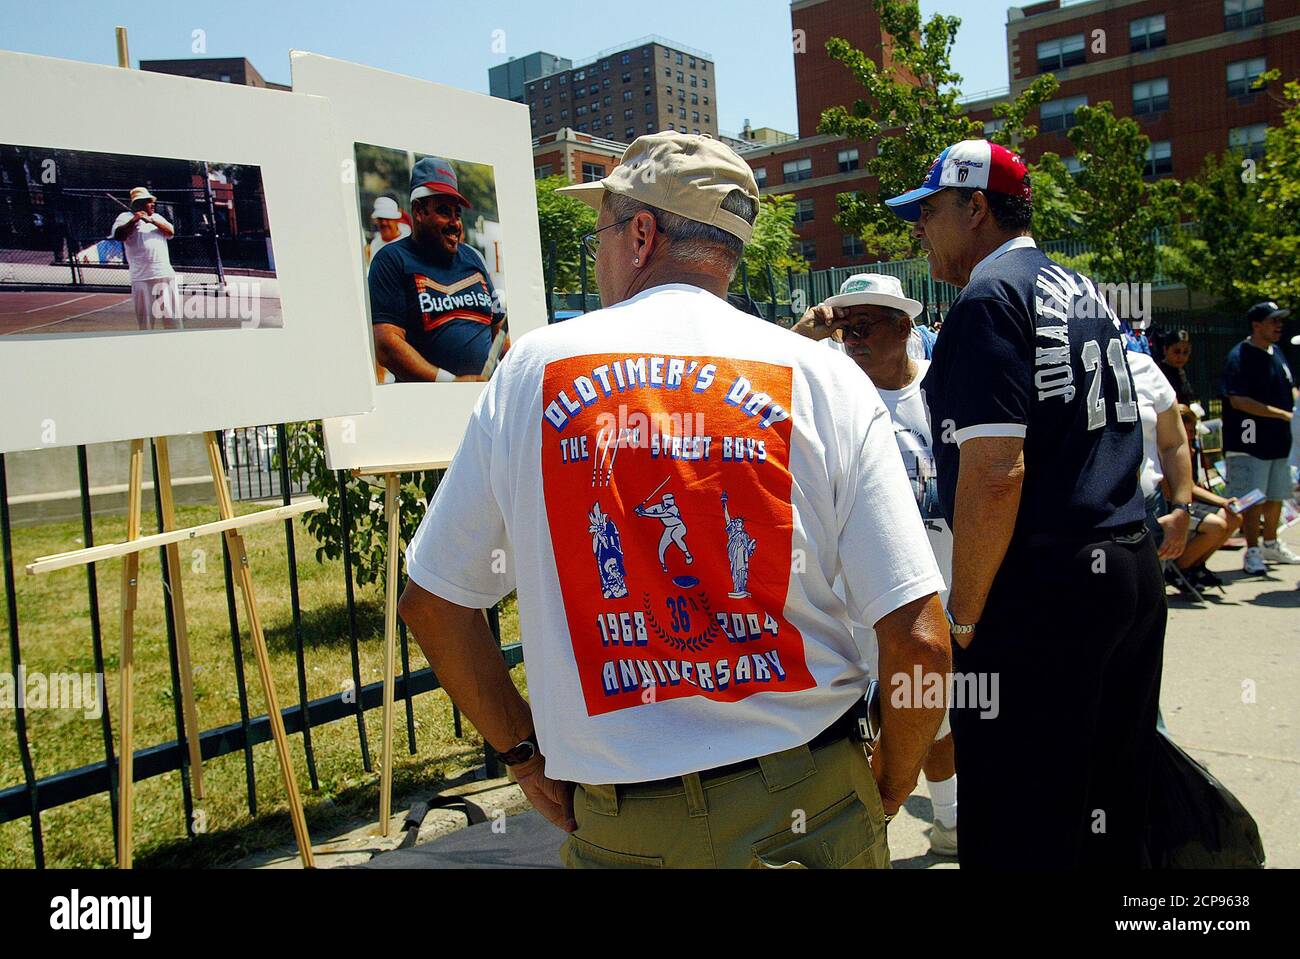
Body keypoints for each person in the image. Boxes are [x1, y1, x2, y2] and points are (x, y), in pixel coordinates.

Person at [398, 132, 950, 869]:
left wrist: (524, 754)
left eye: (602, 229)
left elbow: (433, 603)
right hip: (811, 805)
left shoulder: (534, 369)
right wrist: (891, 782)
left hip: (625, 825)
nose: (598, 254)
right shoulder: (823, 378)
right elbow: (919, 634)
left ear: (641, 233)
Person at [886, 138, 1166, 869]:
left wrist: (967, 612)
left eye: (930, 210)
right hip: (1127, 565)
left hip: (1046, 588)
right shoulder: (1081, 286)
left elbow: (997, 473)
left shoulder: (988, 298)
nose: (920, 228)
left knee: (1019, 819)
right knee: (1109, 804)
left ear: (975, 208)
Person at [792, 272, 959, 857]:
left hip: (942, 588)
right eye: (844, 329)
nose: (852, 340)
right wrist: (805, 335)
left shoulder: (943, 391)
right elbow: (759, 397)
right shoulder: (829, 395)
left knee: (930, 716)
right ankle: (864, 838)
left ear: (906, 328)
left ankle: (950, 822)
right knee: (862, 729)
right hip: (854, 604)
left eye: (865, 327)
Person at [367, 157, 505, 382]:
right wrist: (450, 383)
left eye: (457, 214)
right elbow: (386, 345)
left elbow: (500, 331)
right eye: (444, 212)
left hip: (483, 399)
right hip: (427, 406)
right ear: (419, 212)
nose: (455, 223)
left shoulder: (473, 258)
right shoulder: (391, 260)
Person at [1220, 301, 1299, 573]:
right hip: (1249, 443)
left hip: (1279, 443)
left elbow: (1290, 391)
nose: (1279, 326)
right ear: (1256, 325)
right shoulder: (1239, 355)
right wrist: (1284, 415)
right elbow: (1238, 400)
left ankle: (1271, 544)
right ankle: (1251, 551)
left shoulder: (1276, 352)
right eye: (1273, 321)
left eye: (1280, 321)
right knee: (1252, 497)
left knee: (1277, 494)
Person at [1124, 329, 1195, 576]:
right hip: (1080, 518)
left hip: (1147, 507)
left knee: (1148, 607)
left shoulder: (1144, 368)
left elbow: (1174, 443)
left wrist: (1181, 509)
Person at [1176, 404, 1243, 588]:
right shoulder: (1172, 450)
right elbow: (1186, 488)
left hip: (1191, 500)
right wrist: (1223, 501)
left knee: (1234, 517)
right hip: (1175, 505)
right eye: (1187, 431)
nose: (1190, 435)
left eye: (1192, 431)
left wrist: (1225, 503)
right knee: (1217, 526)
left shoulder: (1191, 448)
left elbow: (1194, 485)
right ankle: (1179, 568)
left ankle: (1197, 564)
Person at [110, 187, 181, 331]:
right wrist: (133, 221)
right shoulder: (124, 217)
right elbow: (118, 236)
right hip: (141, 277)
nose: (153, 204)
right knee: (146, 322)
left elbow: (170, 231)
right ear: (139, 203)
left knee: (172, 317)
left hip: (164, 274)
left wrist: (152, 221)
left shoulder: (157, 217)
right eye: (149, 202)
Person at [364, 195, 411, 271]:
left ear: (396, 219)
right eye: (380, 219)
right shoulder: (375, 244)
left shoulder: (409, 239)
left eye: (387, 219)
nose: (384, 223)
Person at [1155, 327, 1196, 405]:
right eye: (1176, 351)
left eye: (1185, 352)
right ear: (1165, 350)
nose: (1181, 357)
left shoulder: (1182, 370)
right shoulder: (1159, 372)